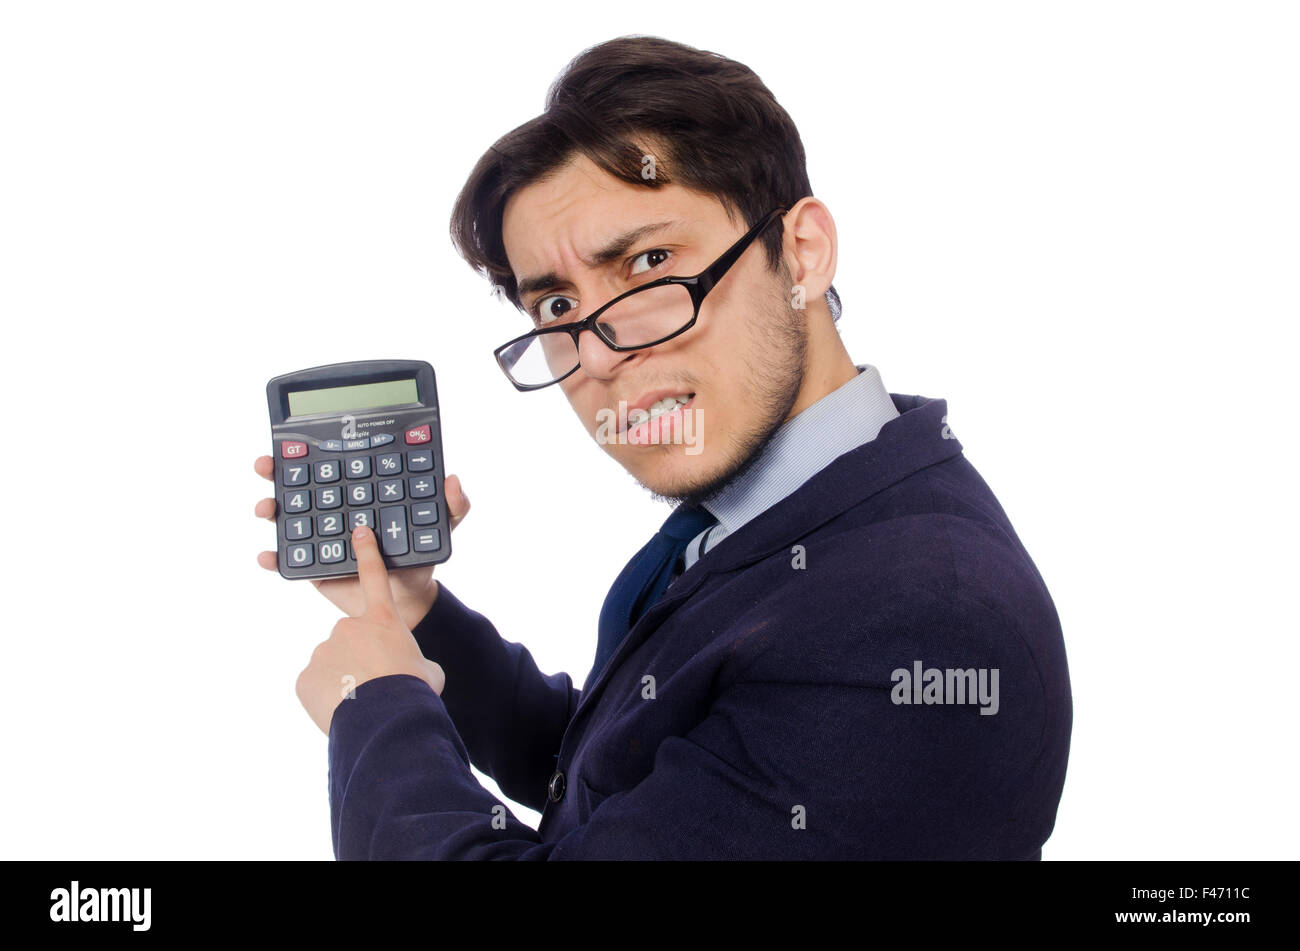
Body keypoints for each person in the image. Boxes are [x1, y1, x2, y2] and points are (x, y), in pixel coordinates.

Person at [253, 35, 1072, 859]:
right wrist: (417, 616)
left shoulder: (922, 623)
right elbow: (624, 774)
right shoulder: (760, 511)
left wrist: (379, 709)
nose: (601, 354)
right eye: (557, 306)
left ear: (802, 253)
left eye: (649, 262)